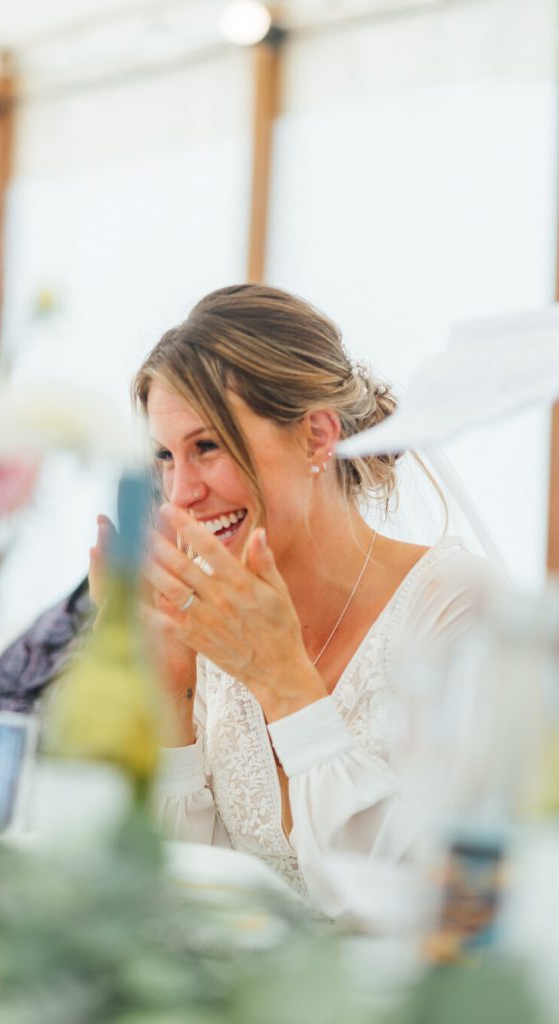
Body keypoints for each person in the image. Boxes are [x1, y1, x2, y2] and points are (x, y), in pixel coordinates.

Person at [123, 283, 495, 925]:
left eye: (206, 447)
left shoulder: (457, 608)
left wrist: (286, 686)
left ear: (317, 437)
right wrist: (171, 693)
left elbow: (447, 908)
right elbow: (175, 896)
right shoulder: (215, 622)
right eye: (165, 457)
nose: (179, 494)